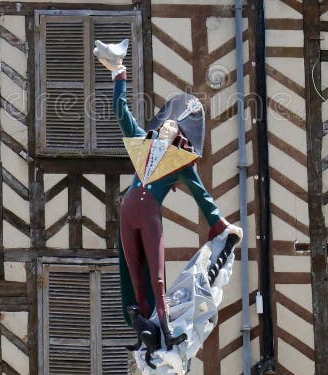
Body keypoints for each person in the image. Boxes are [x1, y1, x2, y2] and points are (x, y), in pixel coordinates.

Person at [94, 39, 242, 351]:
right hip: (129, 213)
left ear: (180, 133)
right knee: (134, 275)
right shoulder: (141, 143)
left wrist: (222, 226)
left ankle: (164, 328)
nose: (167, 126)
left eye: (173, 125)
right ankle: (142, 330)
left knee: (157, 277)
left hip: (147, 215)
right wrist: (118, 73)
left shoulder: (180, 161)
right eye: (165, 123)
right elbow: (121, 112)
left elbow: (202, 196)